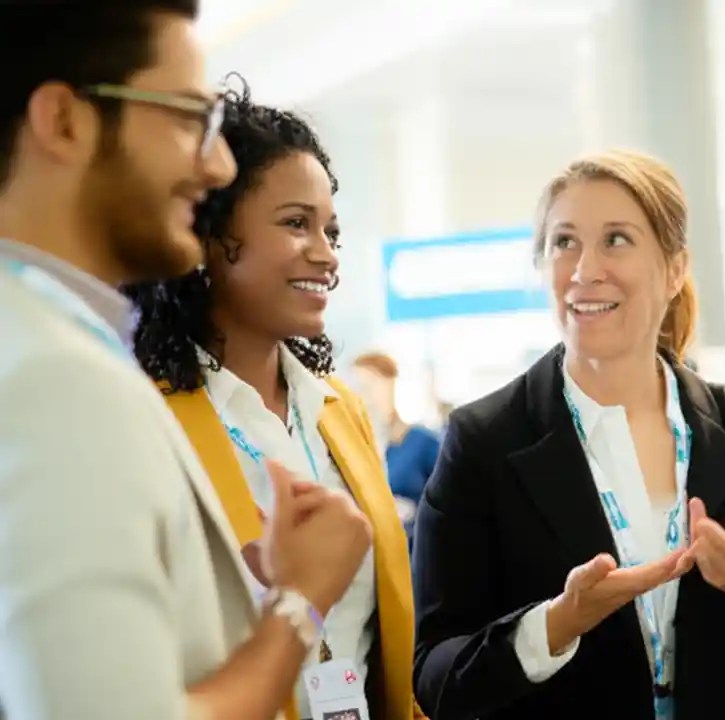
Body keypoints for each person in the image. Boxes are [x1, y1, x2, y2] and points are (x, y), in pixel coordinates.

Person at [0, 2, 372, 718]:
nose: (219, 163)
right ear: (65, 121)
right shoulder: (55, 378)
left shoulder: (54, 345)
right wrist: (298, 605)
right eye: (185, 117)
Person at [411, 149, 725, 720]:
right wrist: (555, 625)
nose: (585, 269)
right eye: (564, 242)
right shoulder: (484, 440)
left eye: (616, 239)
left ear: (675, 269)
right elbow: (437, 677)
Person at [124, 84, 421, 719]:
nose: (327, 253)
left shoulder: (338, 411)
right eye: (296, 223)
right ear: (208, 234)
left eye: (330, 230)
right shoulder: (144, 421)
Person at [351, 352, 442, 514]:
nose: (363, 395)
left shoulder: (422, 442)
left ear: (391, 384)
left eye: (370, 384)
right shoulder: (352, 448)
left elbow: (450, 500)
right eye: (358, 387)